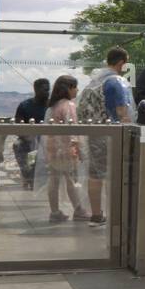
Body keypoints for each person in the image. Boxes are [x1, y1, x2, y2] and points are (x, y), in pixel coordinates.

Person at [76, 46, 132, 227]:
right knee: (113, 175)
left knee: (95, 175)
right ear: (121, 63)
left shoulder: (93, 81)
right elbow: (123, 110)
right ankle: (115, 214)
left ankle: (96, 214)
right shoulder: (116, 81)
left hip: (93, 134)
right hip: (112, 135)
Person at [44, 75, 88, 222]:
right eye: (75, 87)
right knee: (72, 180)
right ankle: (79, 209)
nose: (77, 90)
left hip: (53, 149)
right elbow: (72, 130)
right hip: (67, 150)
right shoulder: (69, 105)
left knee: (54, 181)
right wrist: (78, 149)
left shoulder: (52, 106)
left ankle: (55, 211)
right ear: (69, 88)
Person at [13, 78, 50, 190]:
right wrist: (30, 138)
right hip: (29, 141)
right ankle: (27, 175)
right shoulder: (25, 105)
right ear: (36, 90)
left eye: (48, 90)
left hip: (47, 141)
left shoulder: (51, 106)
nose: (47, 92)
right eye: (44, 90)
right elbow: (18, 126)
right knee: (18, 145)